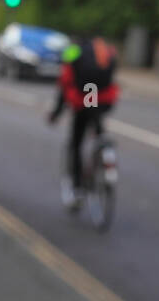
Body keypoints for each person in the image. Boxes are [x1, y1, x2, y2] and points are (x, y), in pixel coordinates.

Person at [47, 36, 120, 208]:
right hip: (105, 98)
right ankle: (105, 150)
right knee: (96, 120)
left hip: (84, 98)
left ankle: (77, 188)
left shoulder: (73, 52)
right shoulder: (104, 48)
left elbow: (65, 82)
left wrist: (56, 113)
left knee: (76, 143)